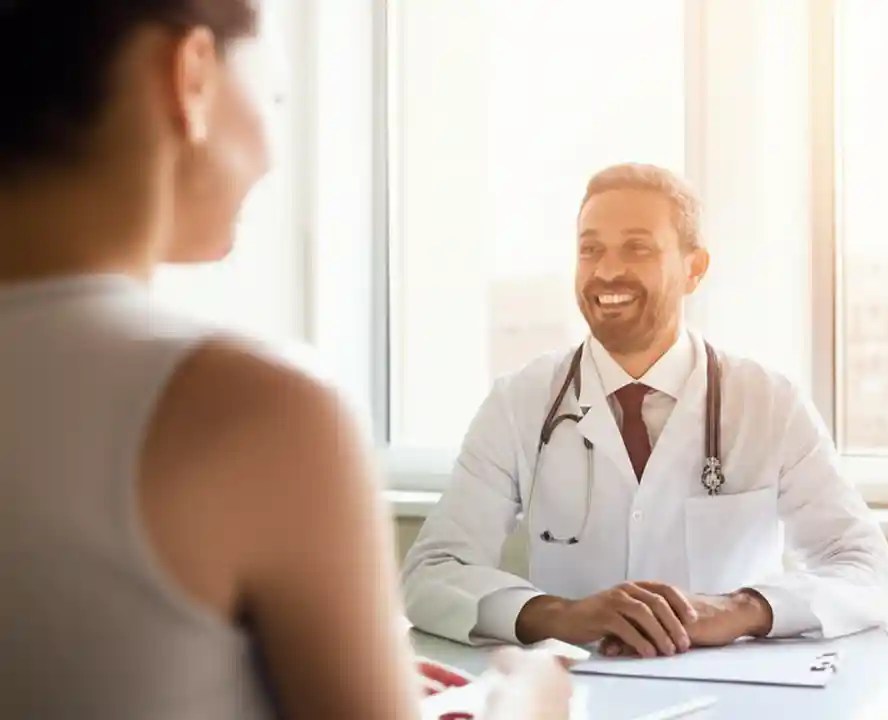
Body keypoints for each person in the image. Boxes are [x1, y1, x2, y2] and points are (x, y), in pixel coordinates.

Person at [0, 2, 567, 718]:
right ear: (191, 76)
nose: (271, 155)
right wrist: (529, 704)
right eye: (271, 96)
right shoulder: (251, 411)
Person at [402, 163, 888, 657]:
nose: (606, 270)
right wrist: (563, 615)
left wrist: (738, 609)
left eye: (637, 248)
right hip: (576, 697)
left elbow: (869, 574)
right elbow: (432, 573)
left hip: (732, 699)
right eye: (590, 249)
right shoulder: (520, 403)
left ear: (695, 269)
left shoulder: (769, 403)